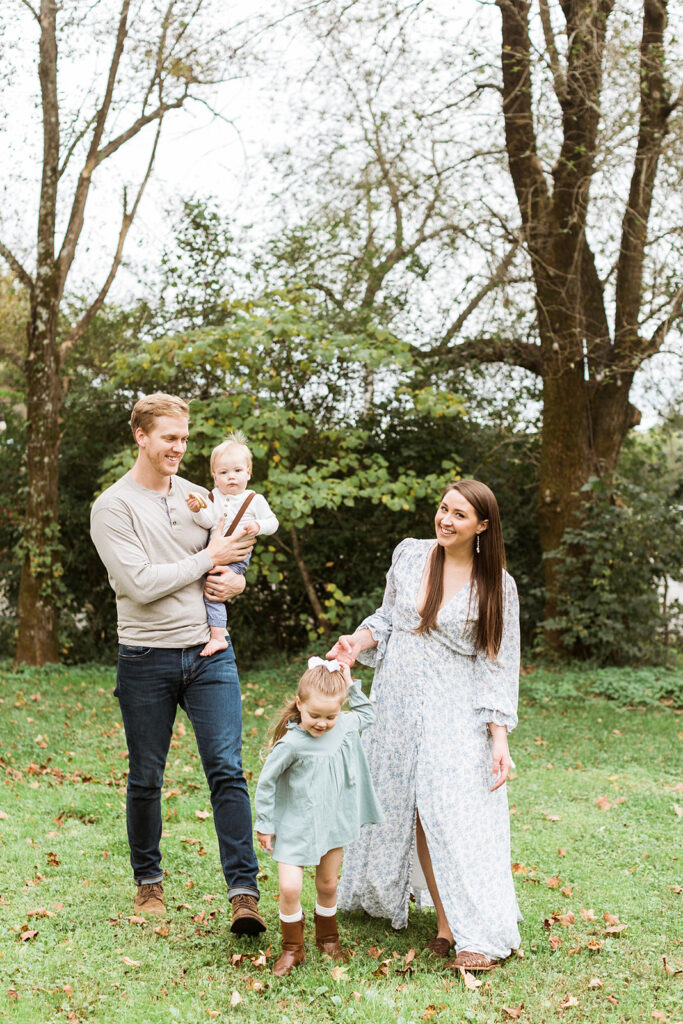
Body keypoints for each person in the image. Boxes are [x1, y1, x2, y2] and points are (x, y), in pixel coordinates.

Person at [327, 480, 522, 972]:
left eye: (459, 515)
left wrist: (498, 738)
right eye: (443, 508)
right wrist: (356, 642)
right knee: (413, 808)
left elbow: (497, 663)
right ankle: (445, 927)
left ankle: (480, 932)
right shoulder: (411, 556)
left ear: (482, 526)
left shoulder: (497, 585)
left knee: (454, 813)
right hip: (397, 703)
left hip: (454, 709)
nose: (445, 520)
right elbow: (387, 620)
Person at [90, 392, 266, 935]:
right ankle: (148, 880)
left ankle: (244, 894)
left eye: (185, 439)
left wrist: (235, 582)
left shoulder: (199, 496)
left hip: (210, 654)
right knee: (147, 776)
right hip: (146, 656)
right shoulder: (113, 507)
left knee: (227, 770)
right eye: (169, 437)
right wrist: (208, 559)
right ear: (140, 436)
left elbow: (233, 555)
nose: (179, 448)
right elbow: (139, 584)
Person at [254, 657, 383, 977]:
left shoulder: (345, 727)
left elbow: (368, 714)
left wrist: (349, 684)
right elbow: (266, 782)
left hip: (332, 823)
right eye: (314, 715)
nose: (322, 723)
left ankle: (328, 939)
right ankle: (292, 948)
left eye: (330, 716)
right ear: (299, 704)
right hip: (295, 826)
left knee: (327, 884)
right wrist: (265, 823)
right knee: (289, 888)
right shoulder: (291, 743)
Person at [186, 431, 278, 658]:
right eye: (223, 472)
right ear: (215, 476)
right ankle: (208, 630)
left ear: (248, 472)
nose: (231, 477)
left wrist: (258, 525)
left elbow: (273, 522)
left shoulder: (254, 499)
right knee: (200, 585)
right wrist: (197, 511)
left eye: (237, 471)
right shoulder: (213, 497)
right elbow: (207, 522)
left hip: (237, 555)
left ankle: (218, 636)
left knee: (213, 589)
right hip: (212, 549)